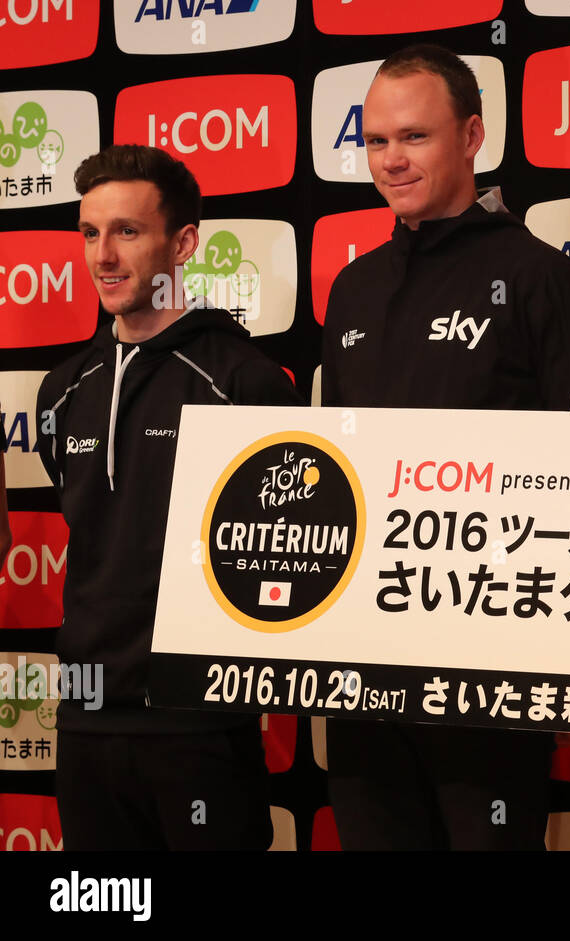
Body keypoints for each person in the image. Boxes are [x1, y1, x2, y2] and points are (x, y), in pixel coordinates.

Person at [320, 43, 570, 850]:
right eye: (376, 140)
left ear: (473, 136)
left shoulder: (549, 283)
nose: (391, 159)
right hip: (364, 667)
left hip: (493, 668)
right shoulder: (352, 289)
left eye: (414, 137)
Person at [35, 144, 301, 850]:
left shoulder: (244, 381)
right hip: (85, 717)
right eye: (90, 233)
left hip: (199, 725)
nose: (103, 256)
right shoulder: (61, 389)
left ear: (183, 244)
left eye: (127, 231)